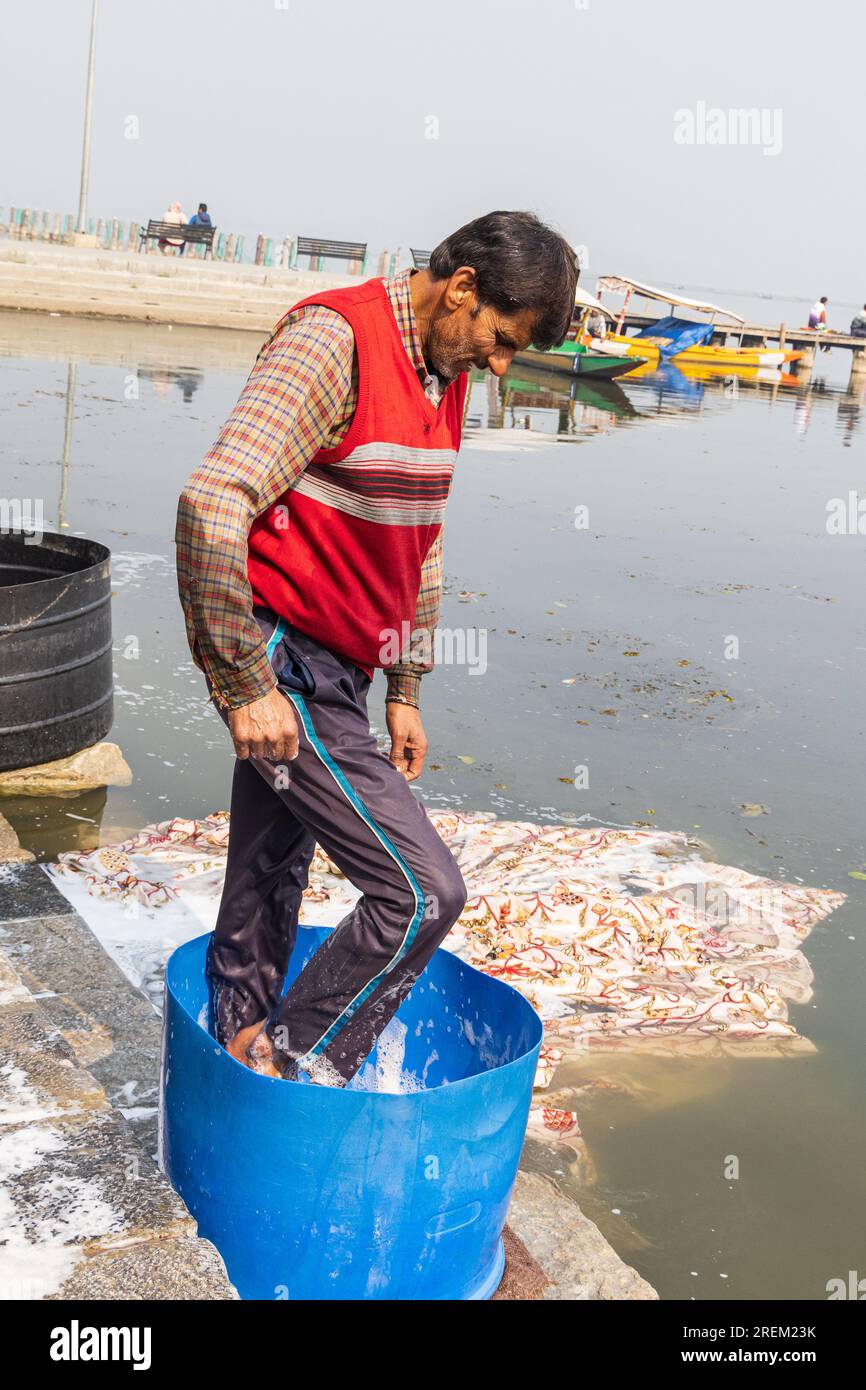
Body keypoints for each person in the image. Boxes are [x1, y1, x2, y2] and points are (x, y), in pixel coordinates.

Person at [175, 210, 577, 1084]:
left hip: (348, 669)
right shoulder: (337, 341)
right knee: (423, 892)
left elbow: (418, 535)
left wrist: (405, 685)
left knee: (269, 869)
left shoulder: (444, 365)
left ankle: (230, 1054)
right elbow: (213, 502)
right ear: (462, 287)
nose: (502, 366)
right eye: (502, 340)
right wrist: (245, 683)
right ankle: (290, 1068)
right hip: (287, 656)